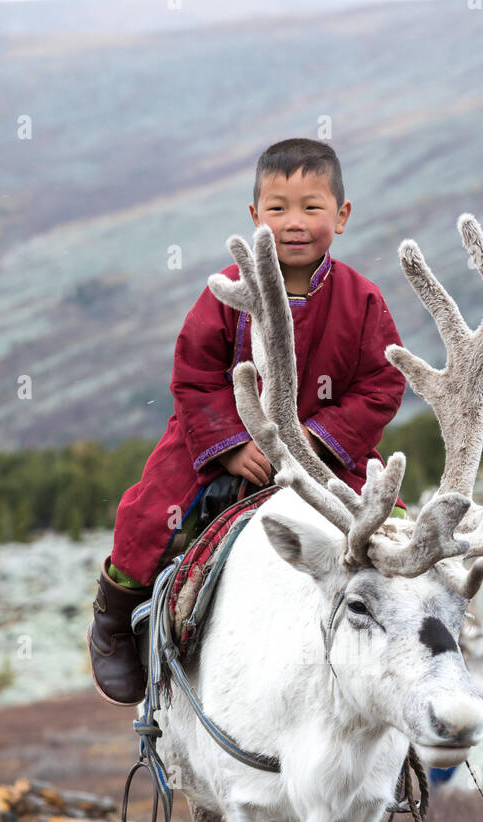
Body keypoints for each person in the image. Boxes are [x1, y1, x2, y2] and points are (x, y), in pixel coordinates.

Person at [88, 137, 408, 704]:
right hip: (221, 438)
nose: (294, 222)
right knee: (146, 514)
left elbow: (382, 383)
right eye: (278, 208)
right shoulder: (226, 292)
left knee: (390, 531)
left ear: (343, 215)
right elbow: (193, 375)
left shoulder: (362, 301)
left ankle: (403, 644)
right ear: (254, 216)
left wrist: (321, 438)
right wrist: (232, 445)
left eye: (312, 207)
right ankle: (114, 619)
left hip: (327, 455)